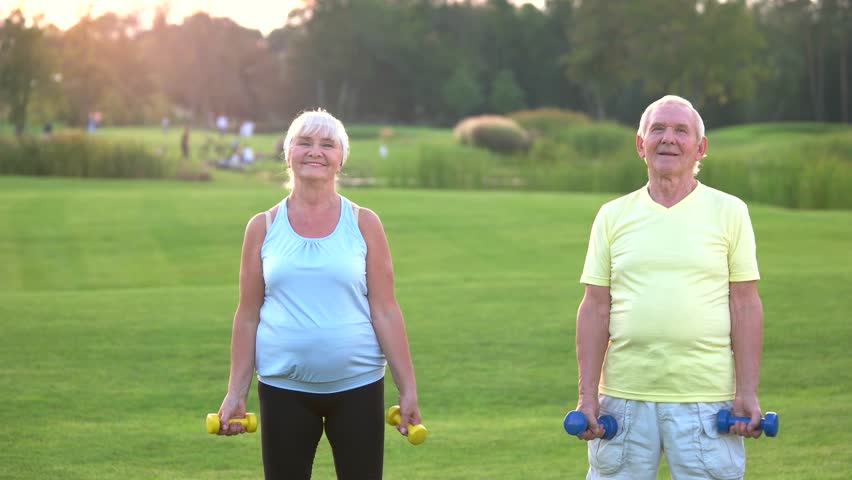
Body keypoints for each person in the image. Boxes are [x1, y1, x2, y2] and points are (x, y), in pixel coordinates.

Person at [215, 109, 421, 480]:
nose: (315, 152)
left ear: (341, 158)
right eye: (304, 142)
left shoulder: (364, 223)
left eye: (328, 144)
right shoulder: (262, 227)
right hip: (282, 390)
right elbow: (247, 315)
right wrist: (235, 392)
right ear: (288, 153)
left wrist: (408, 390)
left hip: (359, 386)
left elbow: (386, 310)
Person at [573, 95, 764, 479]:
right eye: (657, 129)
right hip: (624, 401)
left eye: (681, 130)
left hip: (706, 400)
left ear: (700, 147)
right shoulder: (613, 216)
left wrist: (747, 391)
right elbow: (594, 307)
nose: (668, 139)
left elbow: (745, 304)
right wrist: (586, 396)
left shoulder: (730, 212)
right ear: (640, 145)